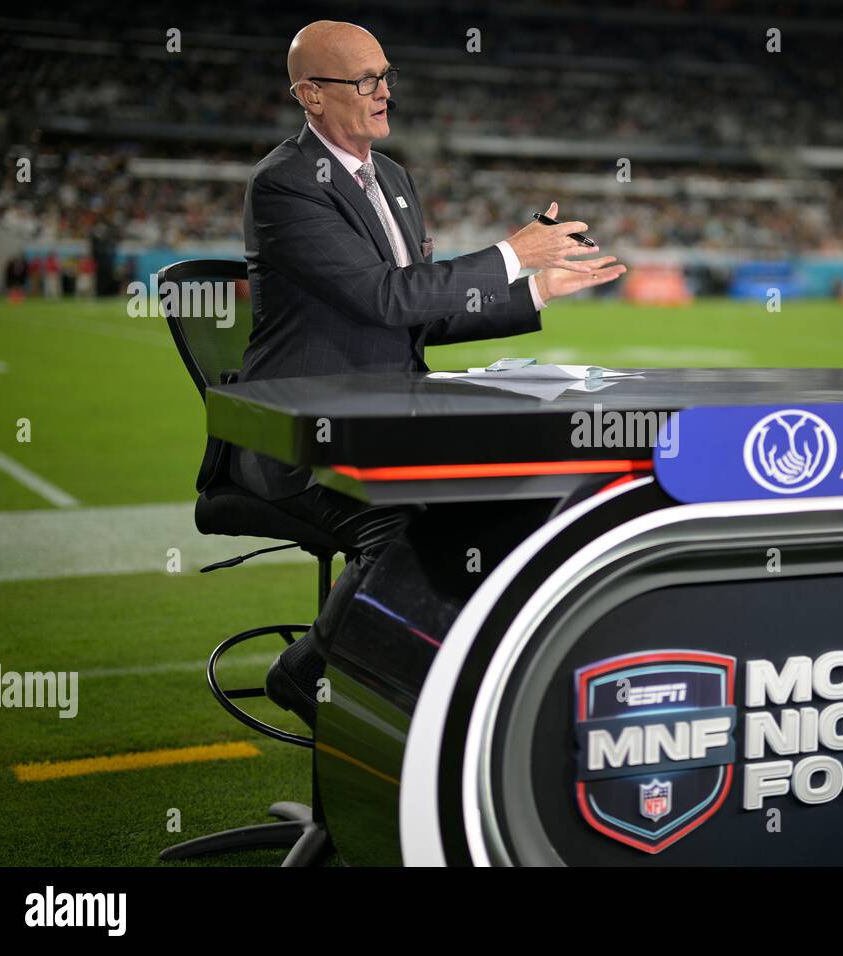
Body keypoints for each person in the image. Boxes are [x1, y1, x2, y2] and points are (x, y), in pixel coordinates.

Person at [236, 20, 627, 726]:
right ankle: (310, 676)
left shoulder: (392, 177)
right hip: (299, 439)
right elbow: (383, 298)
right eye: (365, 80)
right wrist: (511, 254)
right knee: (410, 520)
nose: (385, 92)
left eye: (386, 74)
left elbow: (421, 316)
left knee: (509, 500)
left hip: (388, 425)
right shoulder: (285, 185)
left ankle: (448, 681)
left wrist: (534, 290)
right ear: (311, 96)